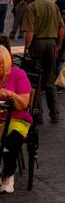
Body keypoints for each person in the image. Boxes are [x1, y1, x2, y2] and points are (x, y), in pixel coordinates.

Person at [21, 0, 65, 124]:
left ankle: (38, 114)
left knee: (36, 81)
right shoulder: (53, 5)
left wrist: (26, 48)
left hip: (37, 44)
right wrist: (58, 44)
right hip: (51, 43)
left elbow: (30, 31)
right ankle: (55, 113)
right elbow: (61, 28)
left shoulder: (32, 7)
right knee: (50, 80)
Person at [0, 43, 33, 194]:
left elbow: (24, 103)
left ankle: (8, 174)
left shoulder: (18, 75)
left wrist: (11, 95)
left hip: (17, 119)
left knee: (11, 141)